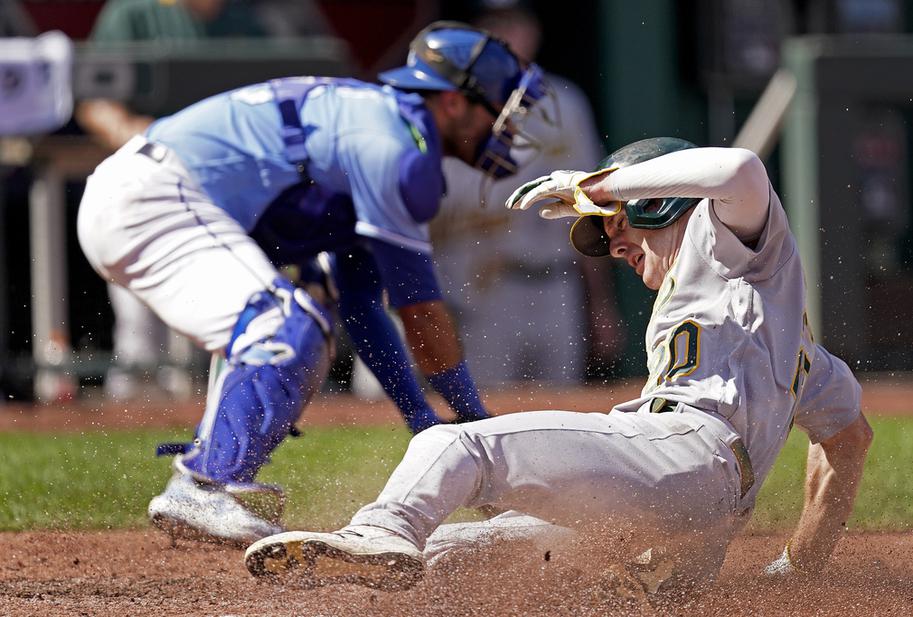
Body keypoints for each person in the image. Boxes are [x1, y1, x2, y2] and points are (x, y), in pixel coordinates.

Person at [243, 138, 872, 593]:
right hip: (694, 524)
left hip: (682, 458)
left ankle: (380, 528)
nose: (614, 243)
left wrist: (595, 186)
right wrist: (801, 567)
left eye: (615, 224)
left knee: (458, 447)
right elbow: (849, 438)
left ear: (659, 201)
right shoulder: (787, 342)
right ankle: (354, 571)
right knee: (452, 556)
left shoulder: (730, 246)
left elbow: (738, 167)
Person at [77, 21, 553, 544]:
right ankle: (203, 484)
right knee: (282, 324)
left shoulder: (383, 126)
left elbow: (361, 305)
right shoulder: (393, 147)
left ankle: (212, 477)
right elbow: (421, 310)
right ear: (453, 103)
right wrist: (475, 425)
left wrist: (423, 417)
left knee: (308, 317)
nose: (507, 127)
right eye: (499, 108)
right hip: (152, 196)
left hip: (150, 195)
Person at [77, 0, 274, 400]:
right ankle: (129, 429)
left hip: (220, 191)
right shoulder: (131, 13)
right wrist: (148, 136)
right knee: (141, 335)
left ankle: (215, 427)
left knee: (227, 321)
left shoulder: (245, 21)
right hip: (149, 188)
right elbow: (93, 101)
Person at [428, 1, 617, 387]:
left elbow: (593, 206)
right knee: (489, 413)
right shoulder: (455, 107)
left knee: (561, 412)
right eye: (493, 25)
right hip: (485, 288)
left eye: (515, 22)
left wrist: (601, 304)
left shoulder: (566, 103)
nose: (507, 36)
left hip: (557, 285)